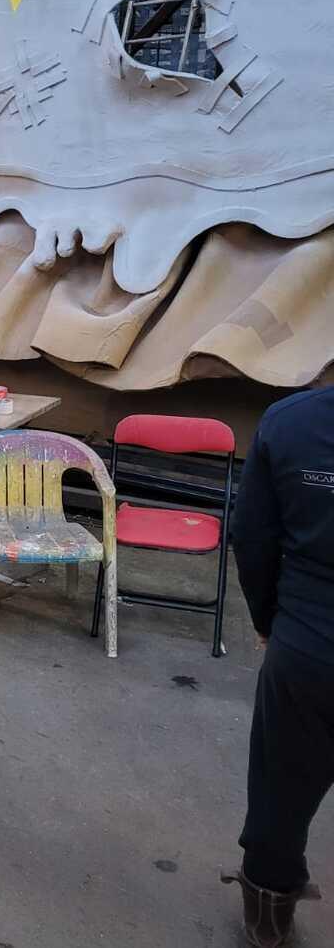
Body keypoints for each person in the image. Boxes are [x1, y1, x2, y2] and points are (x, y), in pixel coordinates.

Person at [225, 385, 334, 947]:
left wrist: (271, 619)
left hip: (311, 640)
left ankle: (267, 918)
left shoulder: (290, 423)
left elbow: (251, 535)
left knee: (280, 790)